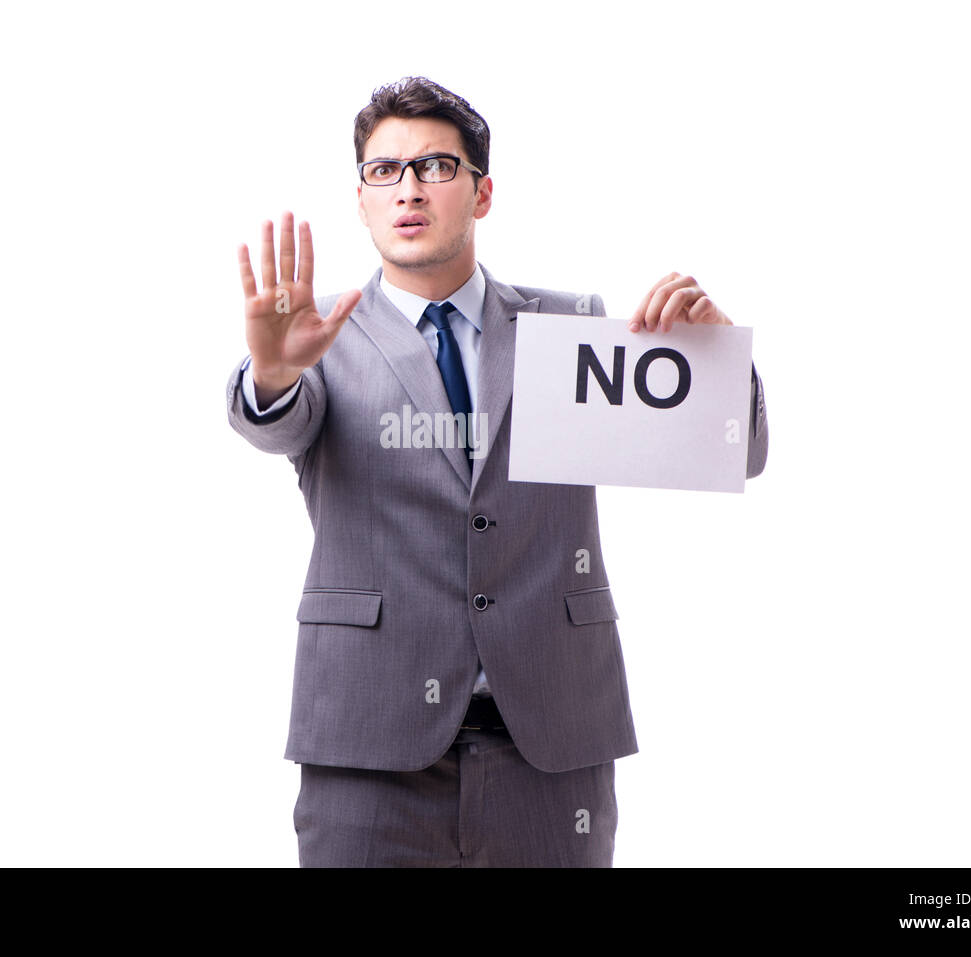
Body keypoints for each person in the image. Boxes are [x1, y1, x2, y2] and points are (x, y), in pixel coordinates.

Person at [226, 76, 768, 867]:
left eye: (435, 167)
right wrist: (270, 372)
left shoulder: (571, 330)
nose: (409, 189)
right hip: (369, 747)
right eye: (386, 172)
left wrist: (722, 362)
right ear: (362, 199)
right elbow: (273, 421)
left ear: (481, 194)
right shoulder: (318, 335)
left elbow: (738, 450)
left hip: (548, 746)